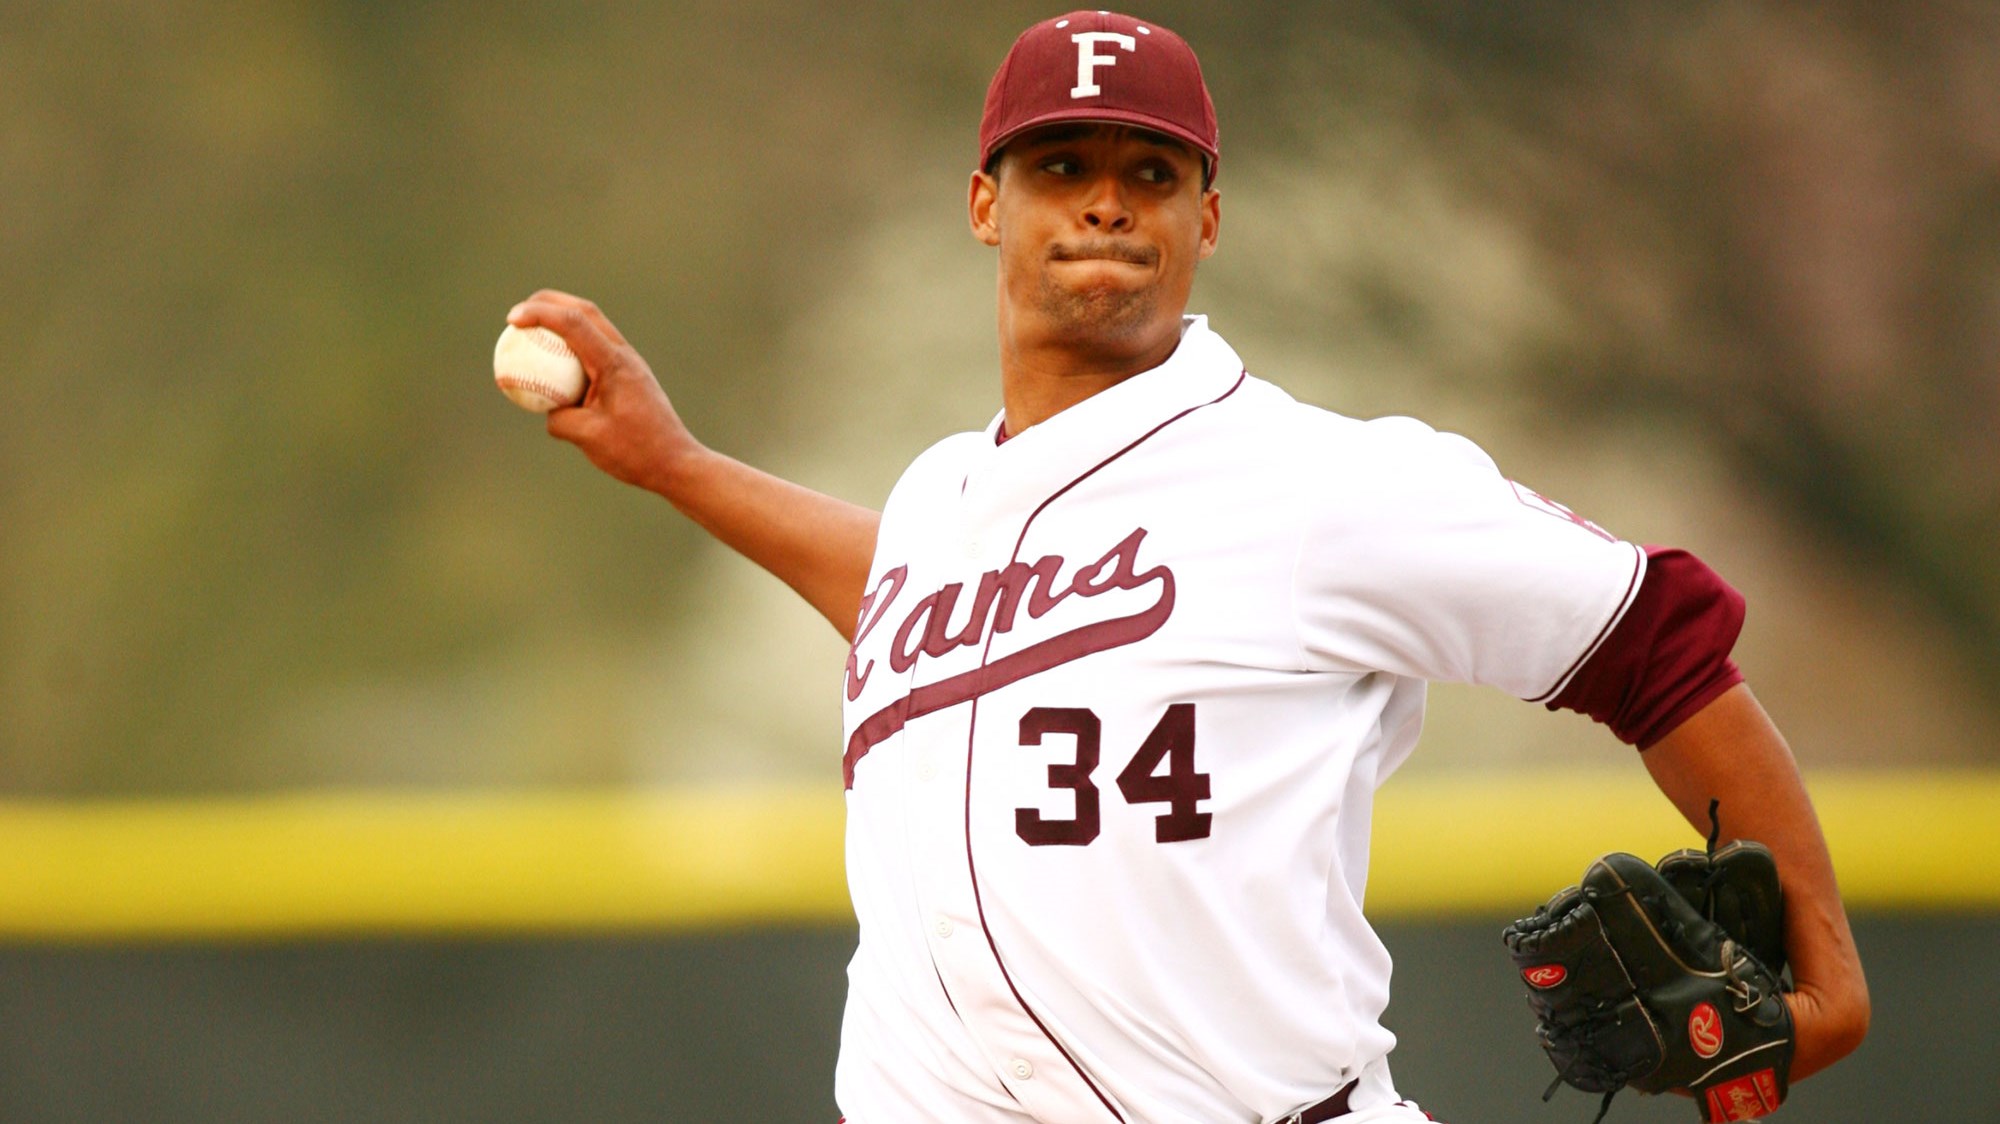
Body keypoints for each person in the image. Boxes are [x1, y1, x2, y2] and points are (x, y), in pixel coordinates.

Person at [506, 11, 1868, 1122]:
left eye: (1150, 175)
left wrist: (1828, 975)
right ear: (986, 203)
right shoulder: (945, 501)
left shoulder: (1322, 484)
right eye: (1063, 169)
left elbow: (1655, 640)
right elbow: (913, 594)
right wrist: (676, 466)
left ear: (1206, 219)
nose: (1106, 204)